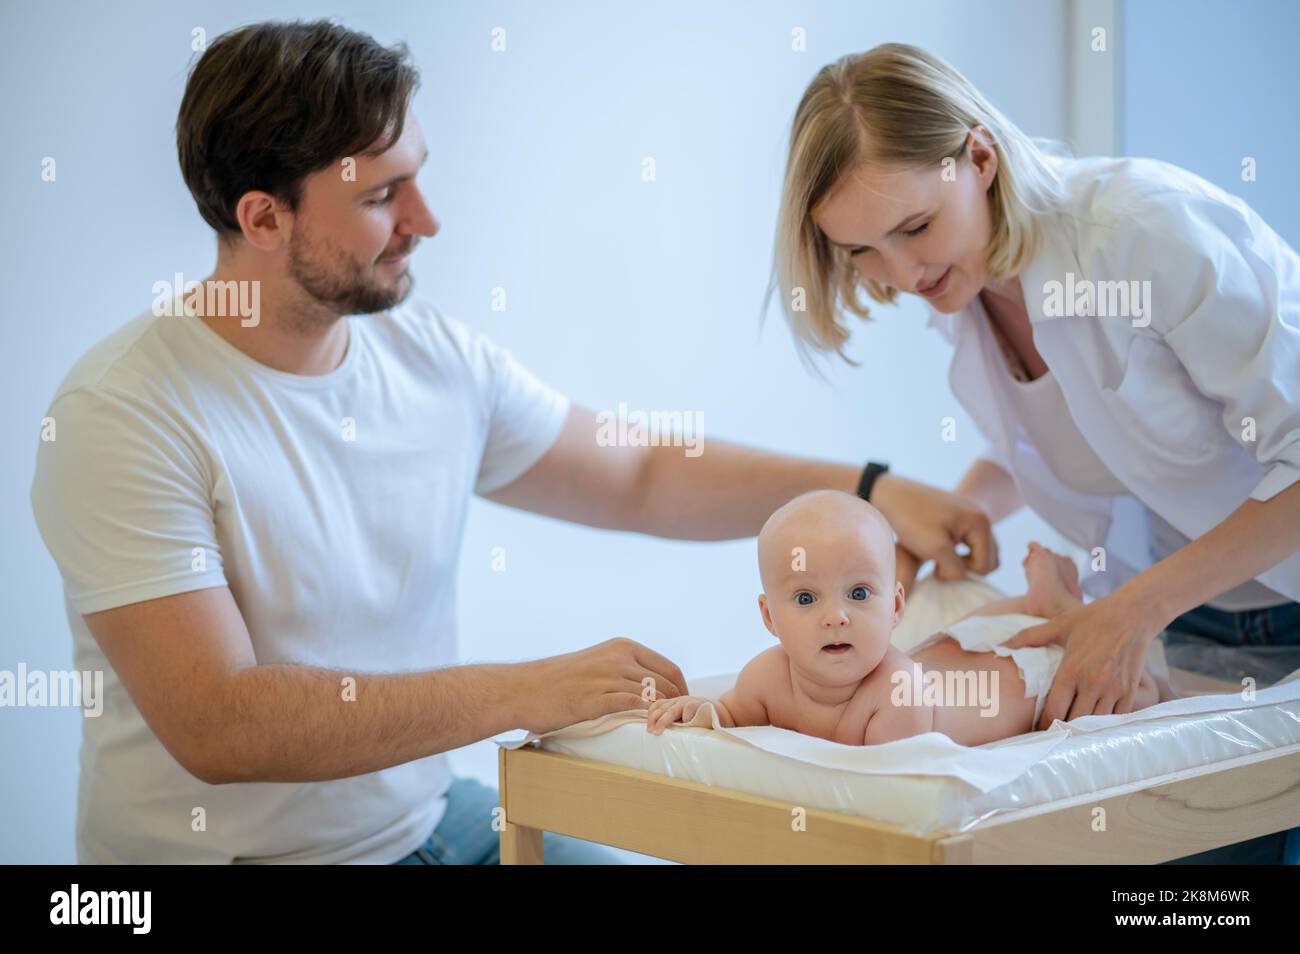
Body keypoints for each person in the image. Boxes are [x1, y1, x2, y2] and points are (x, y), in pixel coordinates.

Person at [27, 21, 996, 865]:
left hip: (429, 820)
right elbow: (221, 723)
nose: (427, 221)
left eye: (421, 178)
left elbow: (638, 473)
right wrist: (533, 690)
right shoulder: (127, 414)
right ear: (263, 218)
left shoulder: (427, 357)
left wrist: (871, 487)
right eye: (382, 197)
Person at [770, 42, 1300, 863]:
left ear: (978, 156)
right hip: (1195, 619)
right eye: (862, 252)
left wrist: (1134, 610)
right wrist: (965, 508)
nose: (902, 272)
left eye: (914, 227)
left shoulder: (1143, 234)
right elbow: (1076, 428)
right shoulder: (966, 281)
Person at [646, 490, 1162, 745]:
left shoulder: (898, 694)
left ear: (895, 607)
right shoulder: (763, 677)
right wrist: (700, 711)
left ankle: (1059, 607)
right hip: (944, 658)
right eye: (806, 599)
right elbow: (730, 718)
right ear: (769, 617)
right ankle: (1044, 603)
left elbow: (883, 788)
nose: (836, 617)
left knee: (1133, 695)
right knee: (959, 640)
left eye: (859, 593)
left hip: (1034, 686)